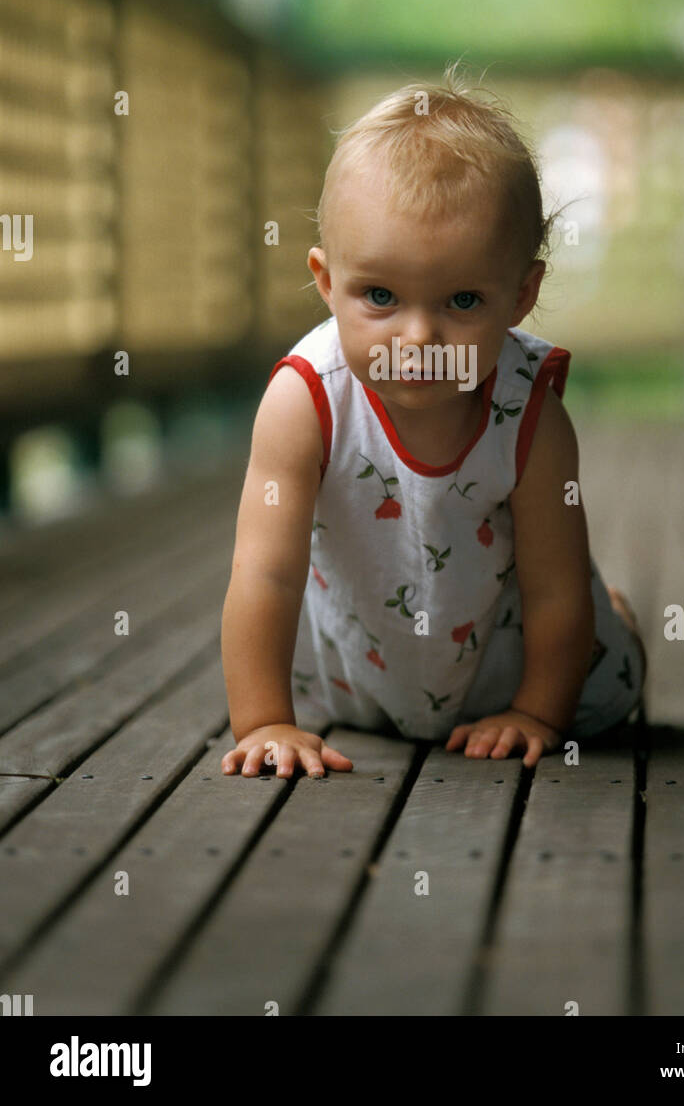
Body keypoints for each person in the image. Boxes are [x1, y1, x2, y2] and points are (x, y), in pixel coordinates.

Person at [221, 66, 646, 780]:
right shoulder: (306, 401)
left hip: (511, 667)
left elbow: (554, 587)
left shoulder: (529, 414)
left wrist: (537, 713)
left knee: (601, 661)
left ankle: (620, 619)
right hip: (366, 679)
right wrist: (264, 721)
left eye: (461, 300)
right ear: (327, 283)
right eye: (379, 295)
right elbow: (264, 572)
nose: (416, 339)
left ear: (521, 293)